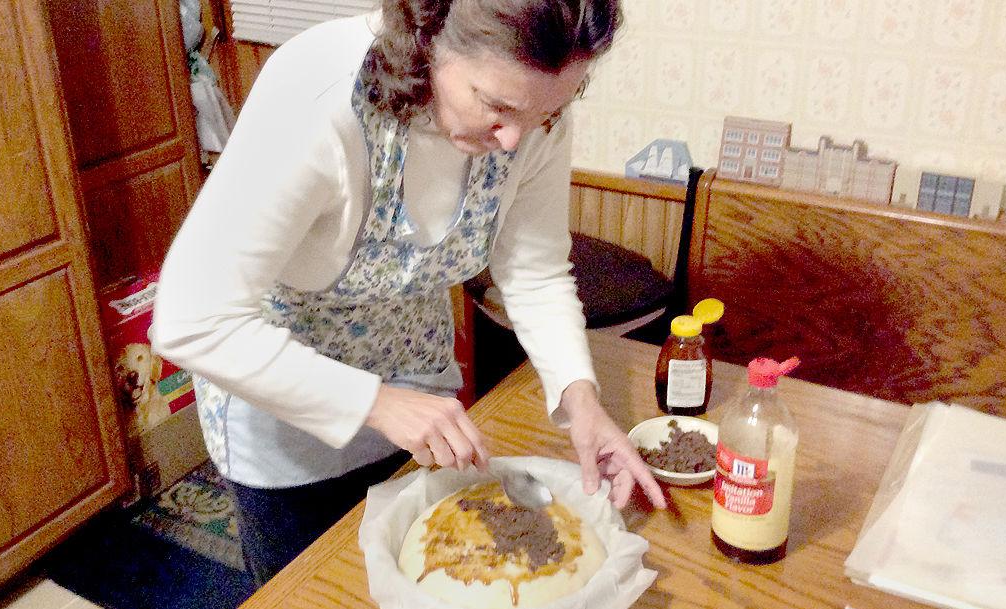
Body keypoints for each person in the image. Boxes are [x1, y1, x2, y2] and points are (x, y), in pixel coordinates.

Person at [151, 0, 666, 587]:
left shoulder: (531, 113)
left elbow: (535, 271)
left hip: (425, 408)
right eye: (496, 107)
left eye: (549, 112)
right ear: (432, 35)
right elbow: (192, 318)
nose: (514, 139)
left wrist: (583, 403)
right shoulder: (317, 96)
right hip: (285, 415)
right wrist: (377, 404)